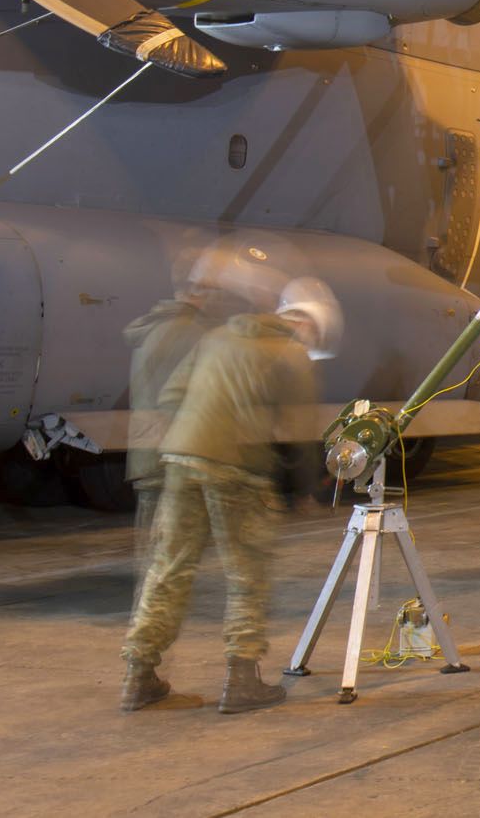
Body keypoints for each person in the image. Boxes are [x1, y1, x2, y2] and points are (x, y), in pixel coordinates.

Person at [120, 278, 339, 714]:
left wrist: (198, 430)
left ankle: (138, 676)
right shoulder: (290, 354)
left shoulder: (217, 337)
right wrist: (306, 490)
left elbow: (170, 396)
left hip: (182, 459)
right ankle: (241, 681)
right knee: (246, 574)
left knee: (168, 568)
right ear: (308, 325)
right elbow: (300, 432)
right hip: (239, 467)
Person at [122, 284, 220, 590]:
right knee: (173, 544)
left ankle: (146, 608)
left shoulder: (148, 329)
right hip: (175, 452)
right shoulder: (194, 333)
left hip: (144, 448)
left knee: (149, 539)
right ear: (197, 292)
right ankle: (152, 618)